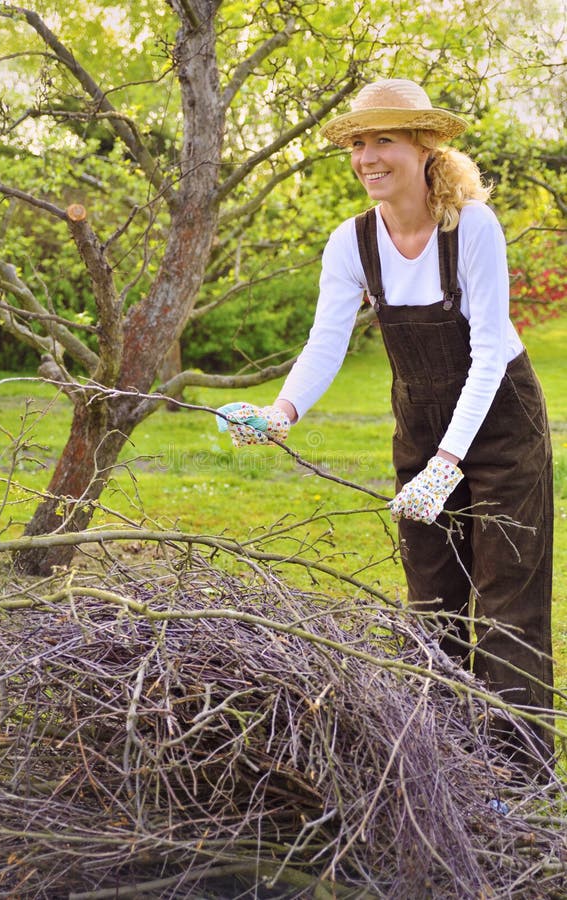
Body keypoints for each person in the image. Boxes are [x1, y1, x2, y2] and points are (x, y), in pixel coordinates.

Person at [216, 78, 554, 773]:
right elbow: (325, 341)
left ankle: (516, 775)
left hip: (501, 427)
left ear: (424, 146)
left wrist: (447, 463)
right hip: (421, 431)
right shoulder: (352, 241)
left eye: (384, 141)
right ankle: (443, 766)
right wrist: (280, 412)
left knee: (505, 600)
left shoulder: (470, 227)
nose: (367, 156)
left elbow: (489, 348)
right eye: (358, 143)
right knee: (430, 600)